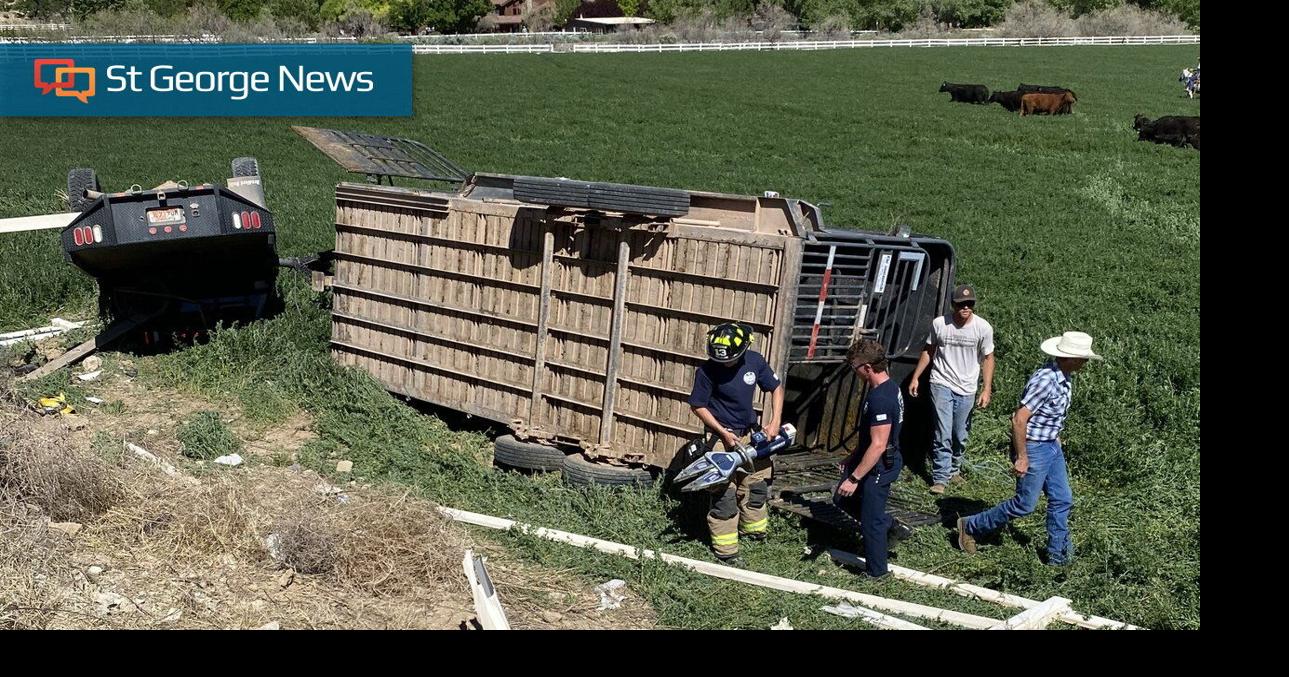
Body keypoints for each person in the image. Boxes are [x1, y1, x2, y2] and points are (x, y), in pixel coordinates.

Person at [957, 331, 1103, 566]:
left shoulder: (1065, 378)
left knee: (1062, 499)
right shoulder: (1045, 380)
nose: (1085, 362)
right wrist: (1022, 457)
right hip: (1034, 448)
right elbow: (1019, 419)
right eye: (1082, 358)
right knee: (1024, 504)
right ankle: (971, 525)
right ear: (1069, 358)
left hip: (1050, 446)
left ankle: (1058, 556)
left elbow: (1048, 415)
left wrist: (1055, 438)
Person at [687, 321, 784, 565]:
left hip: (750, 434)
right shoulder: (707, 371)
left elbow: (776, 388)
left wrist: (774, 423)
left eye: (730, 360)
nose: (725, 365)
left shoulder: (755, 361)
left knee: (756, 486)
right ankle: (727, 551)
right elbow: (698, 405)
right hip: (720, 438)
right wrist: (722, 432)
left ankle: (754, 532)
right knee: (724, 496)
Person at [909, 284, 995, 494]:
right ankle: (940, 478)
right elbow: (929, 351)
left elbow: (988, 358)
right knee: (943, 432)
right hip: (941, 382)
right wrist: (916, 377)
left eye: (969, 304)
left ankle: (954, 469)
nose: (965, 308)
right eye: (961, 304)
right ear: (953, 305)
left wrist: (986, 389)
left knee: (959, 433)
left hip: (967, 386)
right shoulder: (940, 324)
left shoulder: (983, 328)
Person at [833, 338, 904, 579]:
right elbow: (871, 439)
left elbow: (879, 444)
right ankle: (889, 525)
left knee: (870, 521)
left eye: (855, 369)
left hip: (880, 467)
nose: (854, 373)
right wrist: (853, 456)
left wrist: (854, 478)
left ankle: (877, 573)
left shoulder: (880, 399)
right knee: (841, 499)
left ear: (867, 368)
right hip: (871, 460)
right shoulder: (885, 388)